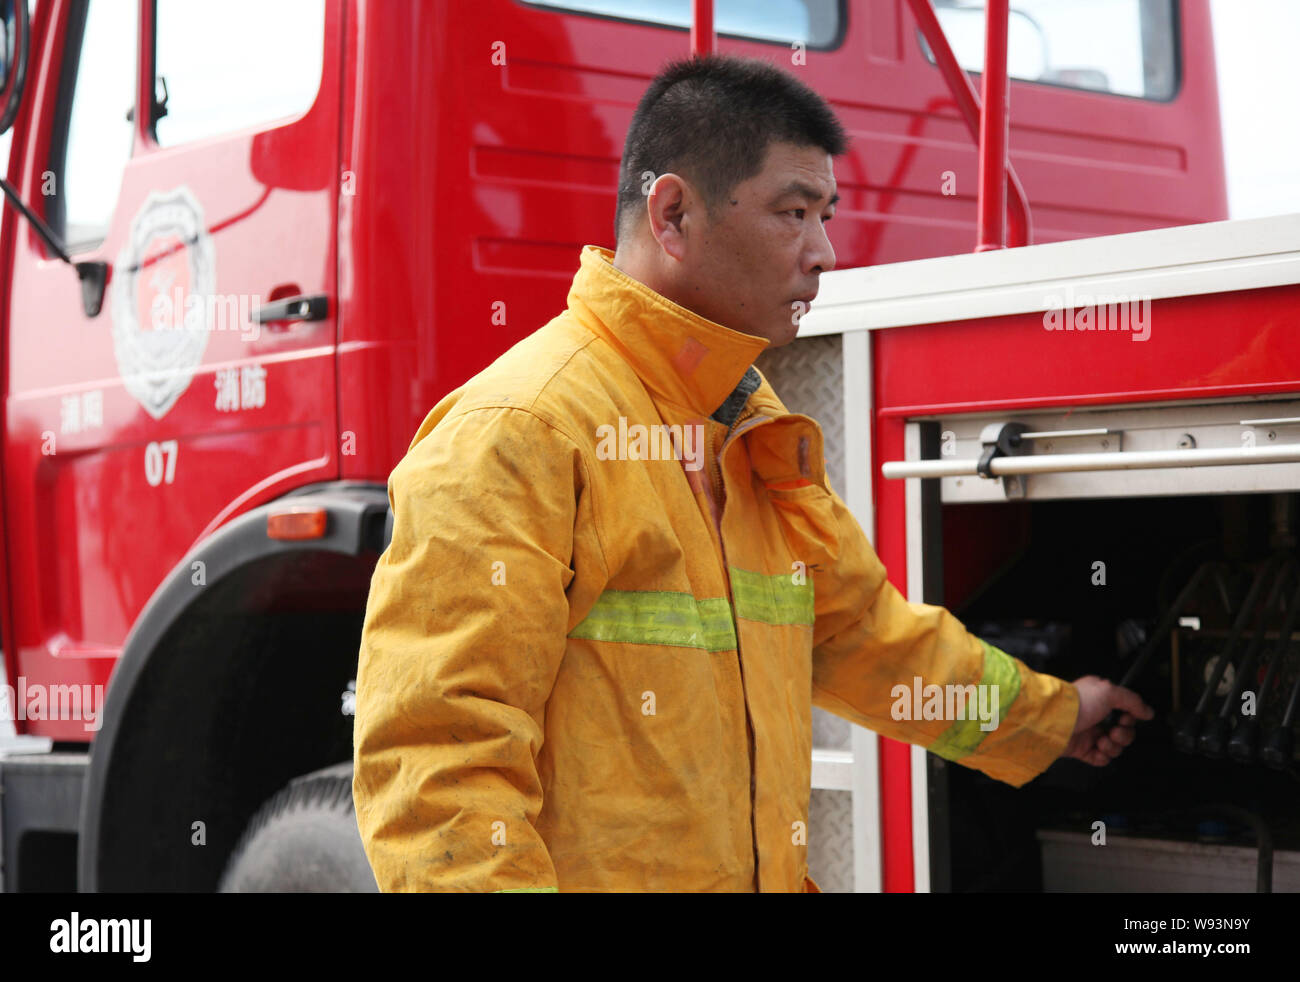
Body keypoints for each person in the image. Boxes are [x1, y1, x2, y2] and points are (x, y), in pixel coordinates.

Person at [352, 53, 1153, 893]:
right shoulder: (521, 432)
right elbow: (439, 768)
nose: (825, 252)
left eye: (826, 214)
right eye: (793, 211)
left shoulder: (746, 425)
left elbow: (862, 638)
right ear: (673, 214)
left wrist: (1052, 719)